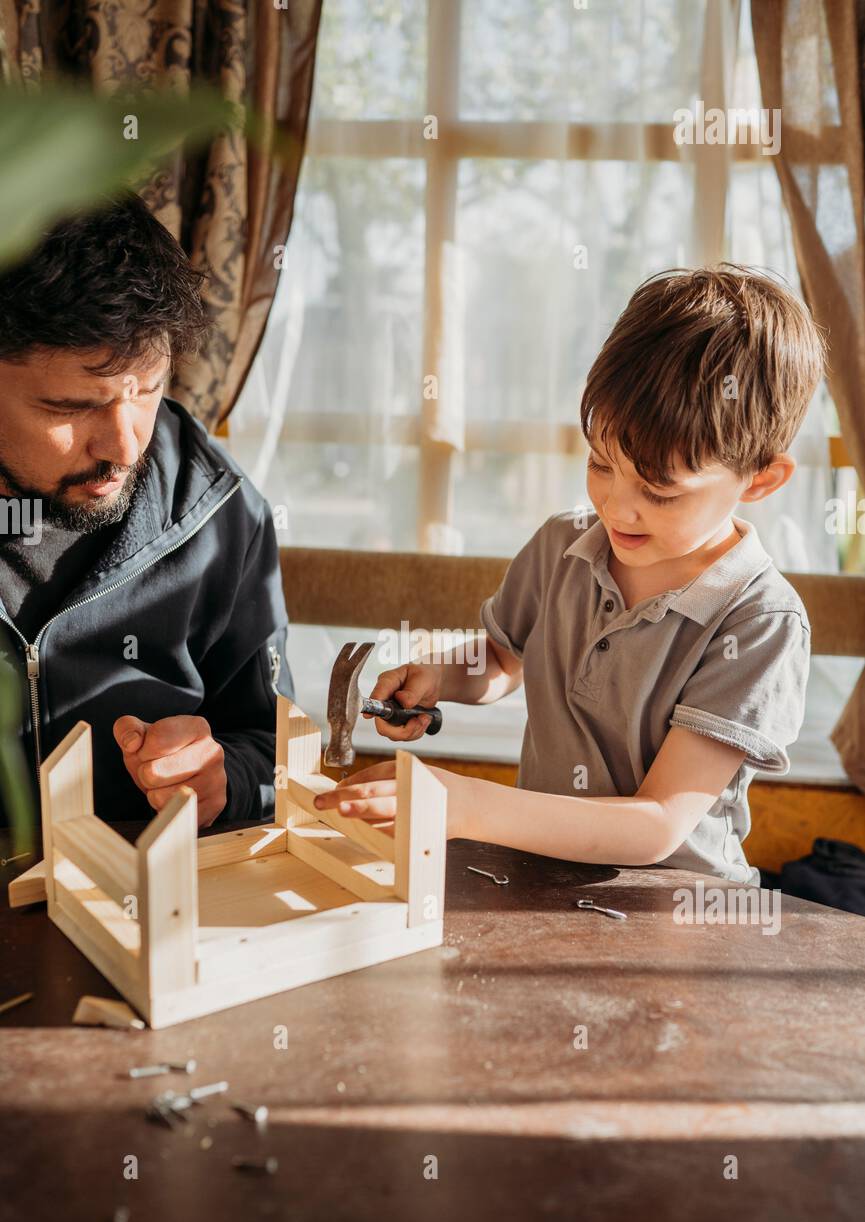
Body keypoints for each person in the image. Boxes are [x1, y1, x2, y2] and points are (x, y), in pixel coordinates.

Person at [313, 266, 825, 887]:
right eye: (600, 464)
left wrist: (465, 803)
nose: (617, 506)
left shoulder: (759, 621)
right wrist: (442, 675)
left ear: (762, 478)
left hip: (677, 911)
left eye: (659, 490)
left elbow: (657, 823)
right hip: (541, 880)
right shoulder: (564, 544)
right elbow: (505, 659)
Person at [0, 191, 293, 831]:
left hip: (137, 913)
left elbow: (276, 749)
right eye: (71, 408)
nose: (125, 447)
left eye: (147, 392)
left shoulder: (220, 512)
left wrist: (223, 782)